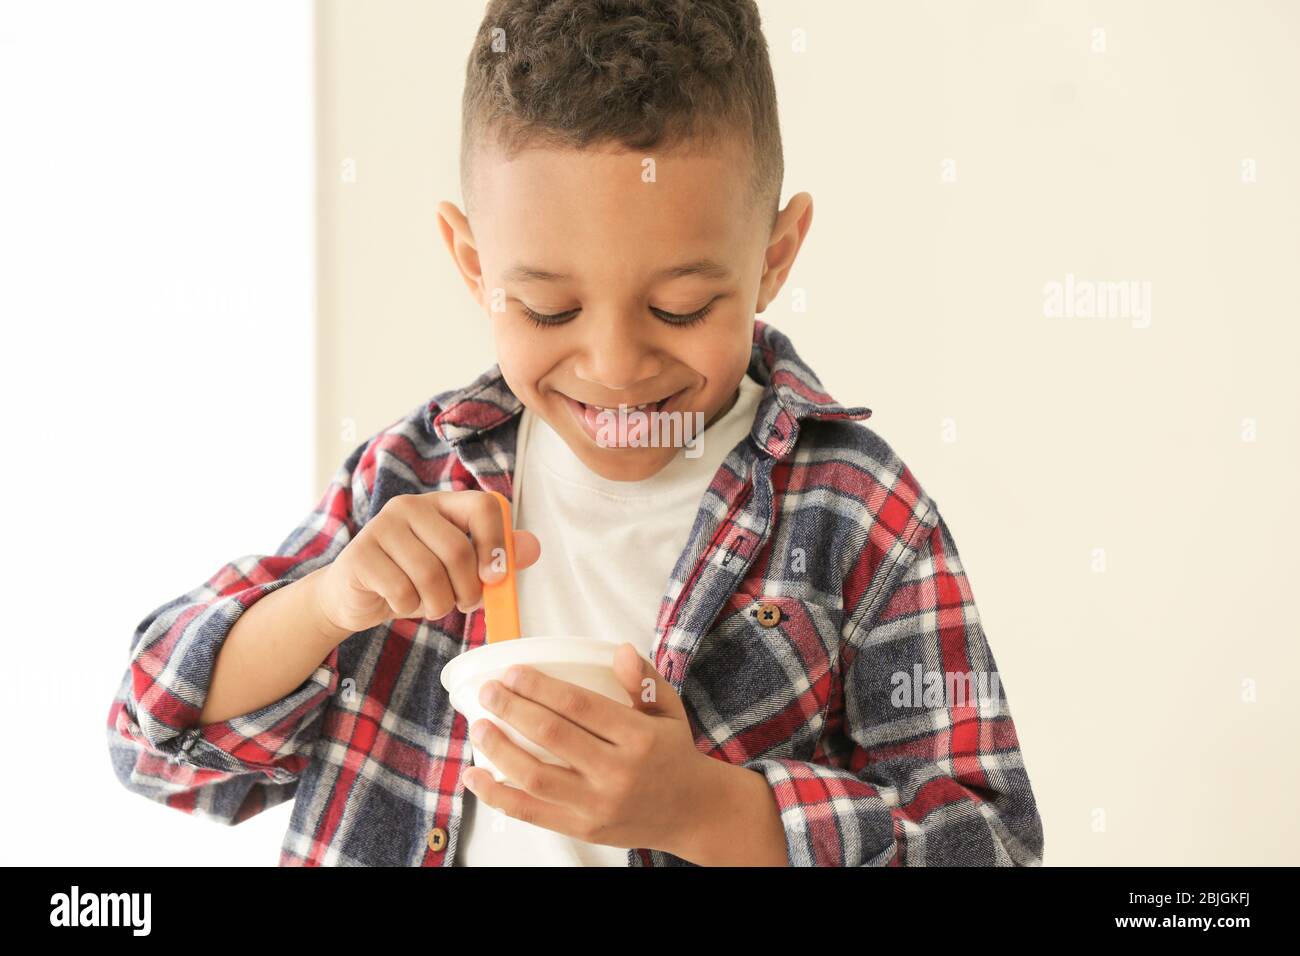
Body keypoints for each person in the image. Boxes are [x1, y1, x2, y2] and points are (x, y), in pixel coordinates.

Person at [106, 0, 1044, 867]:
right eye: (550, 311)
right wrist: (326, 605)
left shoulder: (858, 517)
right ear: (475, 266)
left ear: (773, 257)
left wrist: (707, 812)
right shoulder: (413, 474)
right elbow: (153, 742)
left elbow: (991, 845)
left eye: (680, 308)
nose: (617, 365)